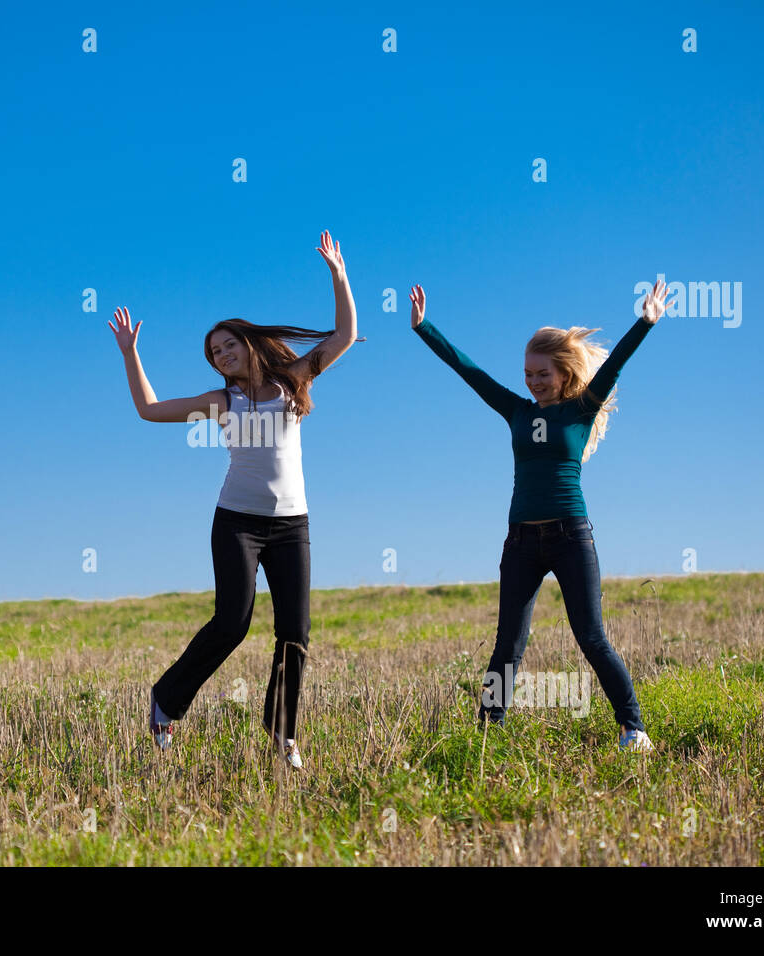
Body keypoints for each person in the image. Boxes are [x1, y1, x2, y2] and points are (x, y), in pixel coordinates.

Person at [110, 230, 359, 769]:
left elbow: (343, 335)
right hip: (238, 523)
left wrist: (338, 275)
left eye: (228, 345)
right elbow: (149, 410)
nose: (222, 355)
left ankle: (283, 735)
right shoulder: (221, 401)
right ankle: (165, 701)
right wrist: (132, 355)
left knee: (296, 630)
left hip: (293, 524)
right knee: (232, 621)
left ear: (248, 343)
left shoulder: (292, 382)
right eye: (214, 352)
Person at [409, 277, 671, 751]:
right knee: (508, 643)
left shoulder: (581, 409)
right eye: (528, 373)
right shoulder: (516, 411)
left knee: (591, 637)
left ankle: (634, 728)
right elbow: (469, 371)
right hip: (520, 543)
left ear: (563, 372)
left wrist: (646, 321)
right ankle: (489, 733)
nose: (532, 380)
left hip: (571, 536)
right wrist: (424, 327)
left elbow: (615, 363)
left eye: (542, 373)